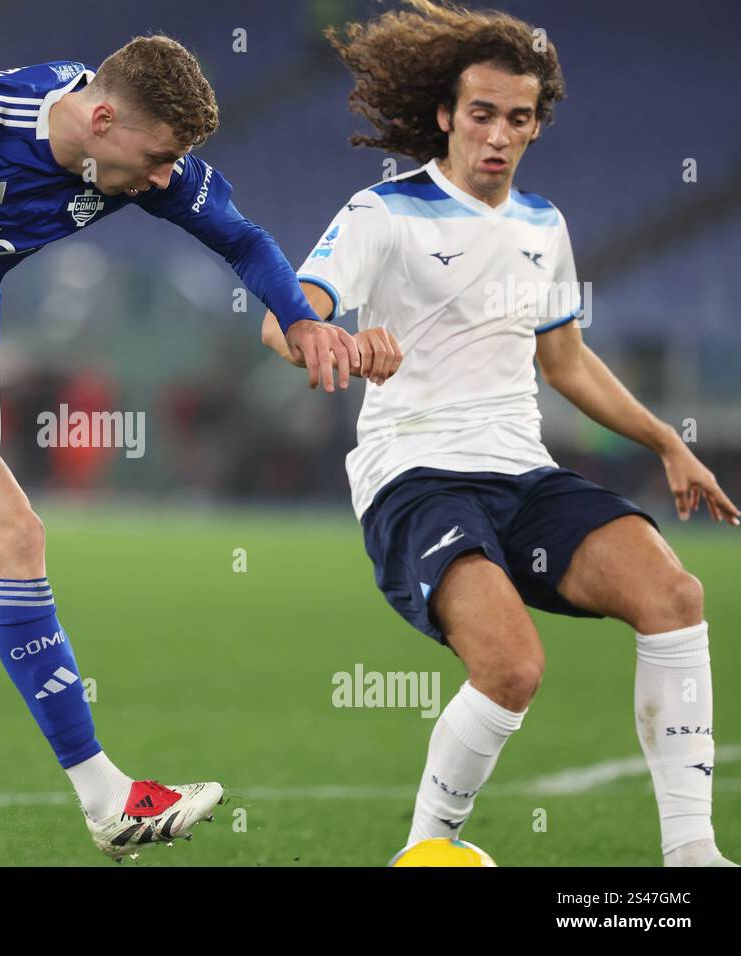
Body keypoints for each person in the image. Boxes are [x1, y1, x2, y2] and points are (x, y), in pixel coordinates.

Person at [0, 34, 360, 865]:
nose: (166, 178)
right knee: (18, 537)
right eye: (158, 156)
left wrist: (301, 318)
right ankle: (107, 799)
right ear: (101, 117)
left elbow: (242, 238)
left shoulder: (136, 161)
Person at [262, 0, 739, 866]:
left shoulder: (542, 226)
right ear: (446, 115)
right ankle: (426, 850)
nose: (498, 134)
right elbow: (286, 322)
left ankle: (693, 857)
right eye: (481, 114)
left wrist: (667, 440)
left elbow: (568, 362)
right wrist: (337, 337)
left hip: (522, 471)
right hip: (416, 476)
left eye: (518, 119)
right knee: (512, 667)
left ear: (534, 127)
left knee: (675, 598)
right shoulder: (383, 212)